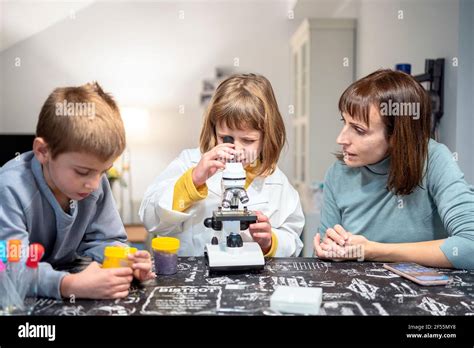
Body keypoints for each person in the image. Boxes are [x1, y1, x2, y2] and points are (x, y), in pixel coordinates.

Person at [0, 82, 155, 300]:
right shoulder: (9, 187)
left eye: (103, 171)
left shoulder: (94, 181)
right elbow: (10, 269)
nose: (93, 184)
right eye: (83, 172)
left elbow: (107, 240)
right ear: (43, 151)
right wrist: (69, 284)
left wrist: (126, 261)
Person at [314, 69, 474, 269]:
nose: (341, 139)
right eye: (344, 122)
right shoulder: (338, 173)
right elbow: (325, 250)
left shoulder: (434, 160)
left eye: (359, 130)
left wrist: (373, 251)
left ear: (397, 136)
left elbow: (470, 246)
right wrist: (328, 250)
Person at [140, 73, 304, 257]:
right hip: (194, 277)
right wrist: (192, 181)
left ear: (267, 137)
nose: (237, 149)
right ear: (213, 129)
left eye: (248, 140)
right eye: (226, 138)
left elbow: (293, 239)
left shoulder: (277, 183)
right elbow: (150, 218)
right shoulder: (190, 162)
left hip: (251, 280)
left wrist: (270, 242)